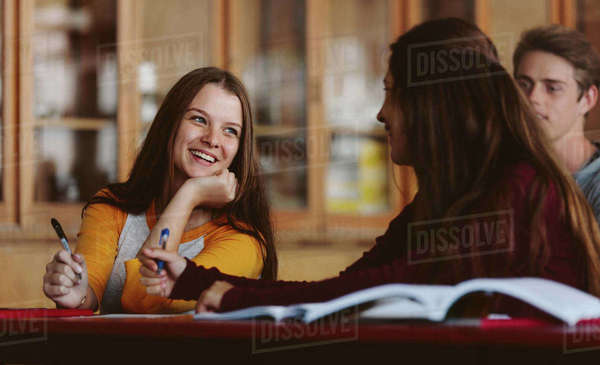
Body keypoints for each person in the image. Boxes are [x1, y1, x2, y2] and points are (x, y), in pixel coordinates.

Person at [140, 18, 600, 315]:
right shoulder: (448, 198)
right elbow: (348, 287)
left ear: (432, 105)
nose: (382, 114)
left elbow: (377, 289)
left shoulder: (515, 186)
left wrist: (235, 296)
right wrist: (196, 278)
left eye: (392, 93)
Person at [42, 67, 277, 313]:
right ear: (170, 124)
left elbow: (144, 298)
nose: (213, 139)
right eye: (198, 119)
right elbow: (87, 303)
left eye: (230, 130)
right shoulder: (111, 208)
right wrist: (75, 295)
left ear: (240, 149)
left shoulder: (245, 241)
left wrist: (189, 195)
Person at [513, 25, 600, 221]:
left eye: (552, 88)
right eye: (524, 85)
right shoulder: (507, 173)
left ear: (587, 99)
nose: (533, 98)